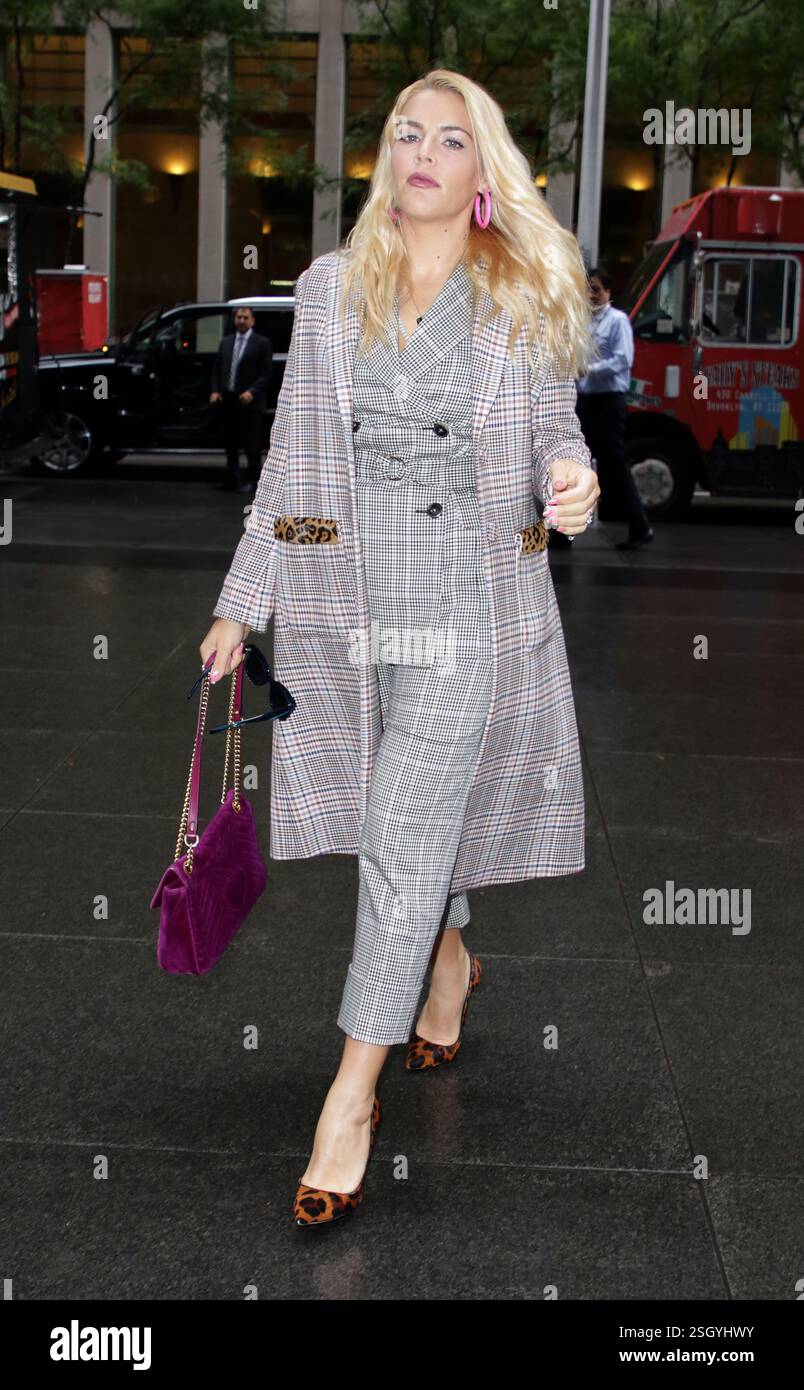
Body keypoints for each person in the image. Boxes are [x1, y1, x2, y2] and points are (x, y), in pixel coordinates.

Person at [198, 69, 600, 1228]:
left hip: (471, 603)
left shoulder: (521, 287)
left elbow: (557, 431)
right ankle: (448, 960)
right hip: (348, 594)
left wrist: (566, 484)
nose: (423, 151)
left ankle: (350, 1098)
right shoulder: (331, 288)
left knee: (401, 837)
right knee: (402, 821)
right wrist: (245, 600)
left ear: (484, 175)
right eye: (406, 133)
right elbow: (292, 460)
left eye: (452, 139)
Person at [576, 268, 654, 551]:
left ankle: (640, 526)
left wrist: (589, 370)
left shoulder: (618, 321)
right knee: (576, 463)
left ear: (608, 292)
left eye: (596, 289)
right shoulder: (583, 321)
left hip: (609, 402)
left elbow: (623, 360)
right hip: (586, 402)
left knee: (614, 466)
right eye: (588, 289)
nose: (591, 294)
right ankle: (562, 533)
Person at [210, 306, 273, 493]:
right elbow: (217, 368)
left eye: (246, 317)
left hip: (250, 402)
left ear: (252, 320)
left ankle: (255, 482)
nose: (242, 320)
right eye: (239, 317)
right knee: (230, 443)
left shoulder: (262, 343)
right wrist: (215, 391)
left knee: (252, 444)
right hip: (228, 400)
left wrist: (252, 392)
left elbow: (266, 373)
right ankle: (232, 479)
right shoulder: (226, 342)